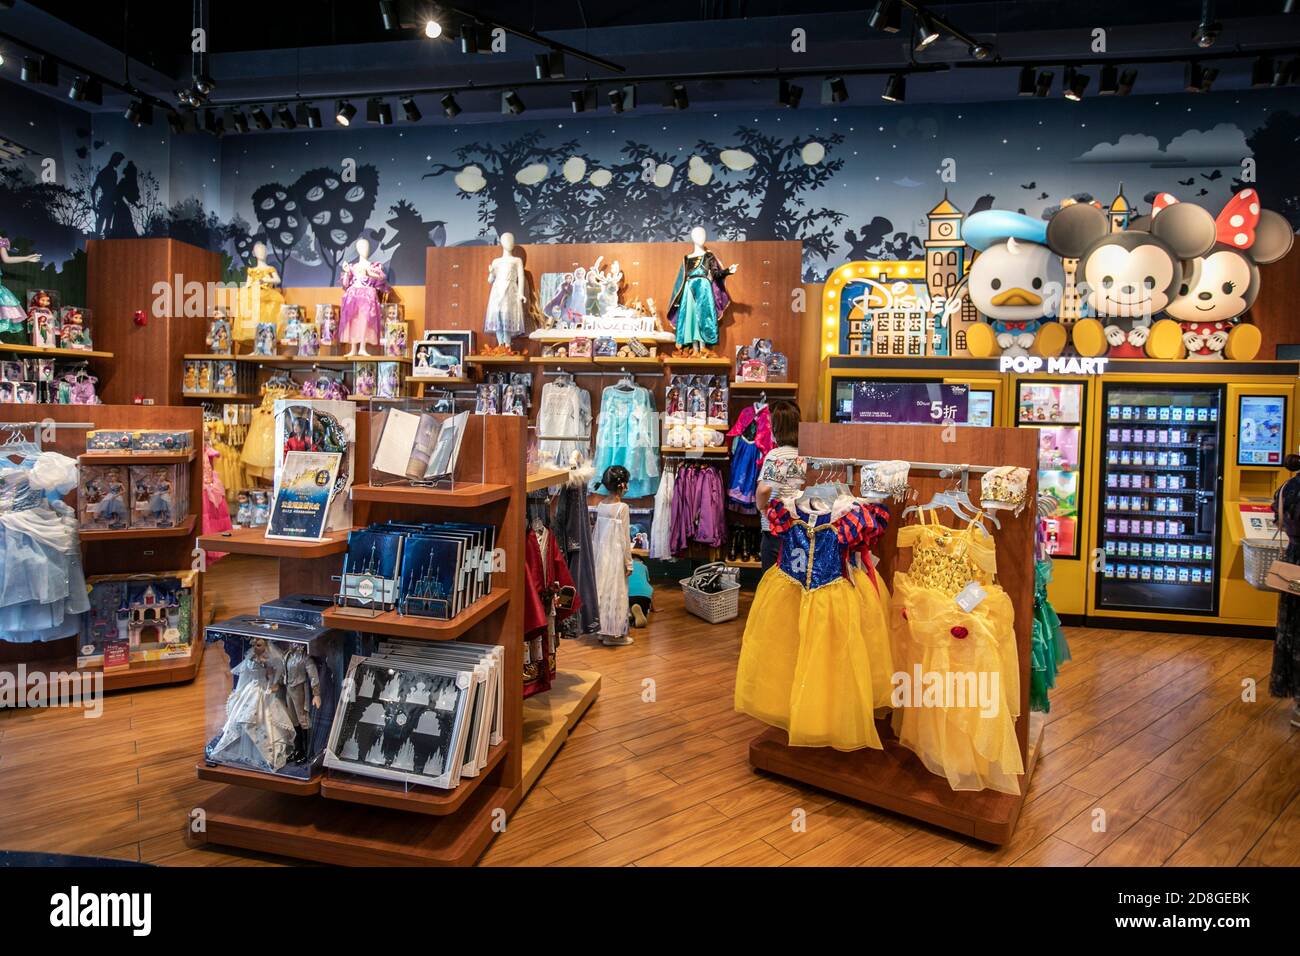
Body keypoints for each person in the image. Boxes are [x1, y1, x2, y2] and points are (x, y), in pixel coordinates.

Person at [754, 401, 806, 572]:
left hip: (775, 528)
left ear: (777, 427)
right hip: (800, 529)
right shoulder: (807, 454)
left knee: (771, 583)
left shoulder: (776, 455)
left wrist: (760, 505)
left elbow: (764, 489)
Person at [1272, 454, 1300, 729]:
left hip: (1294, 567)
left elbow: (1278, 520)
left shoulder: (1287, 488)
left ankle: (1298, 703)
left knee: (1293, 631)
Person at [592, 465, 633, 646]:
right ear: (622, 486)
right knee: (617, 591)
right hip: (616, 556)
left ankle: (602, 630)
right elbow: (625, 538)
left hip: (602, 555)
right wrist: (629, 563)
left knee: (603, 590)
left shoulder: (600, 506)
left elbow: (596, 535)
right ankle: (614, 634)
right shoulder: (622, 508)